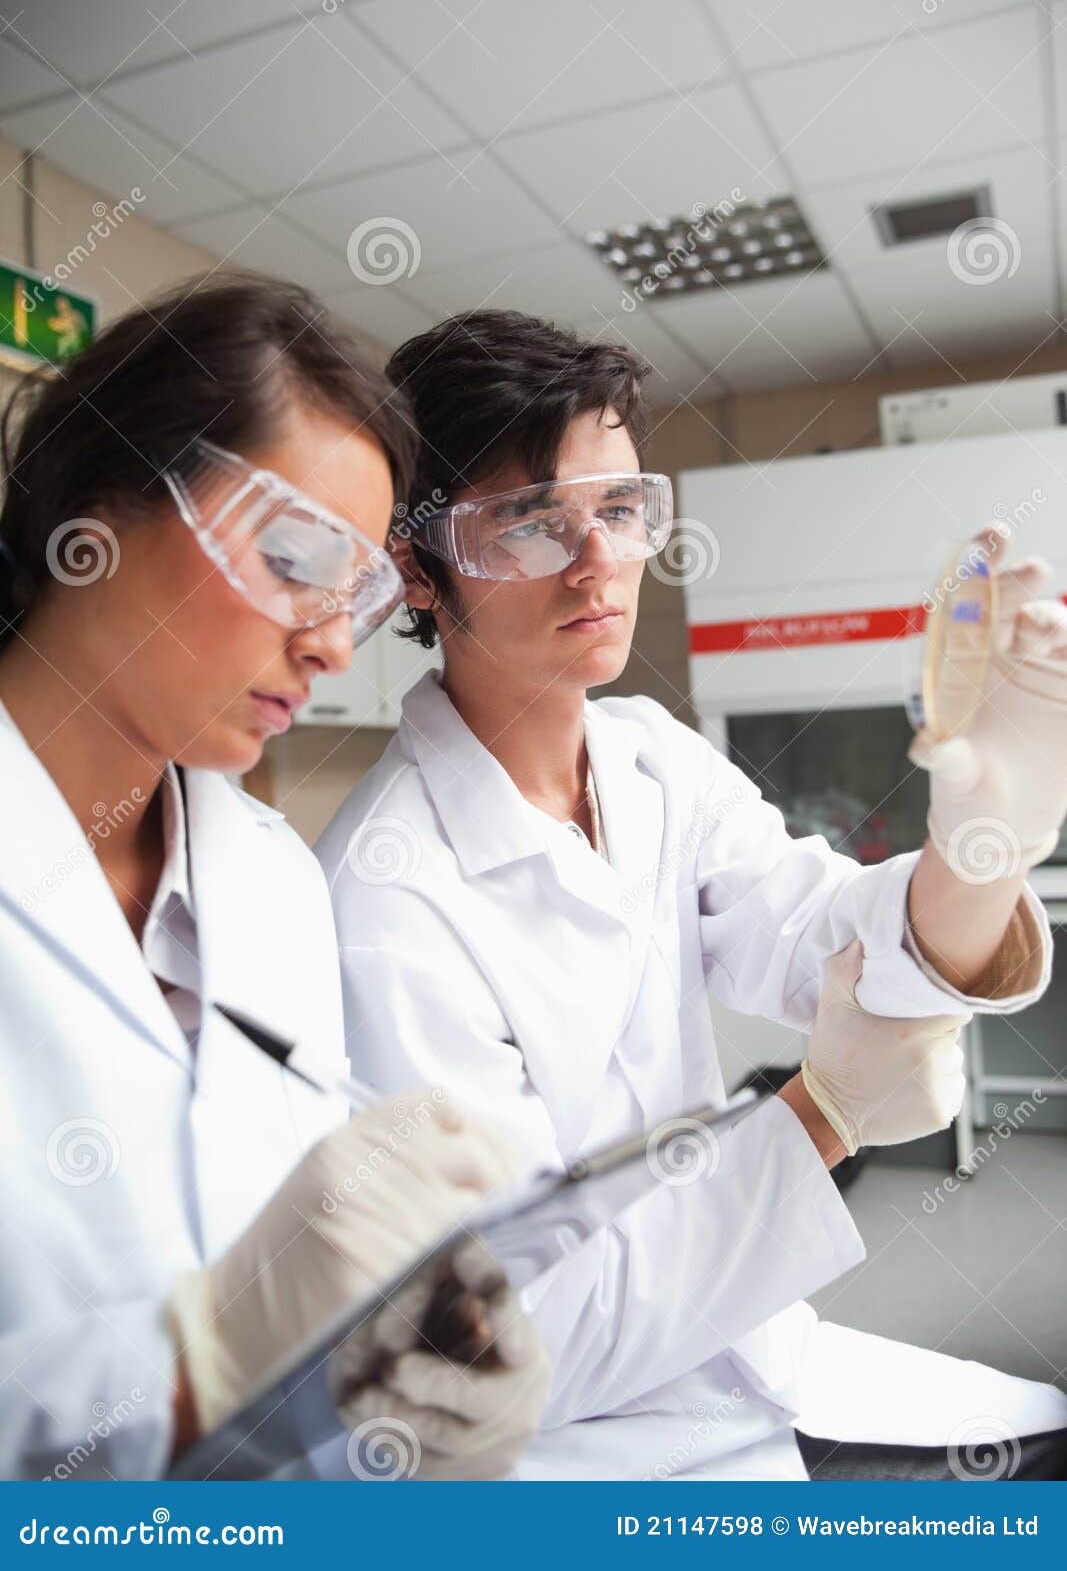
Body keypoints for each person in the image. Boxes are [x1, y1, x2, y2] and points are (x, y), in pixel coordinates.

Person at [317, 309, 1067, 1481]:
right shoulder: (384, 902)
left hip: (746, 1356)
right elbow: (516, 1335)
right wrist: (823, 1113)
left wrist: (980, 846)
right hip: (579, 1458)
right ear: (415, 563)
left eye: (619, 510)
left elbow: (819, 932)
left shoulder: (648, 755)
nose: (595, 562)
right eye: (525, 522)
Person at [0, 278, 550, 1482]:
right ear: (92, 512)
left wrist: (403, 1361)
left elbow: (296, 1262)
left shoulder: (272, 881)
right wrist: (193, 1361)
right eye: (291, 557)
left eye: (353, 587)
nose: (331, 641)